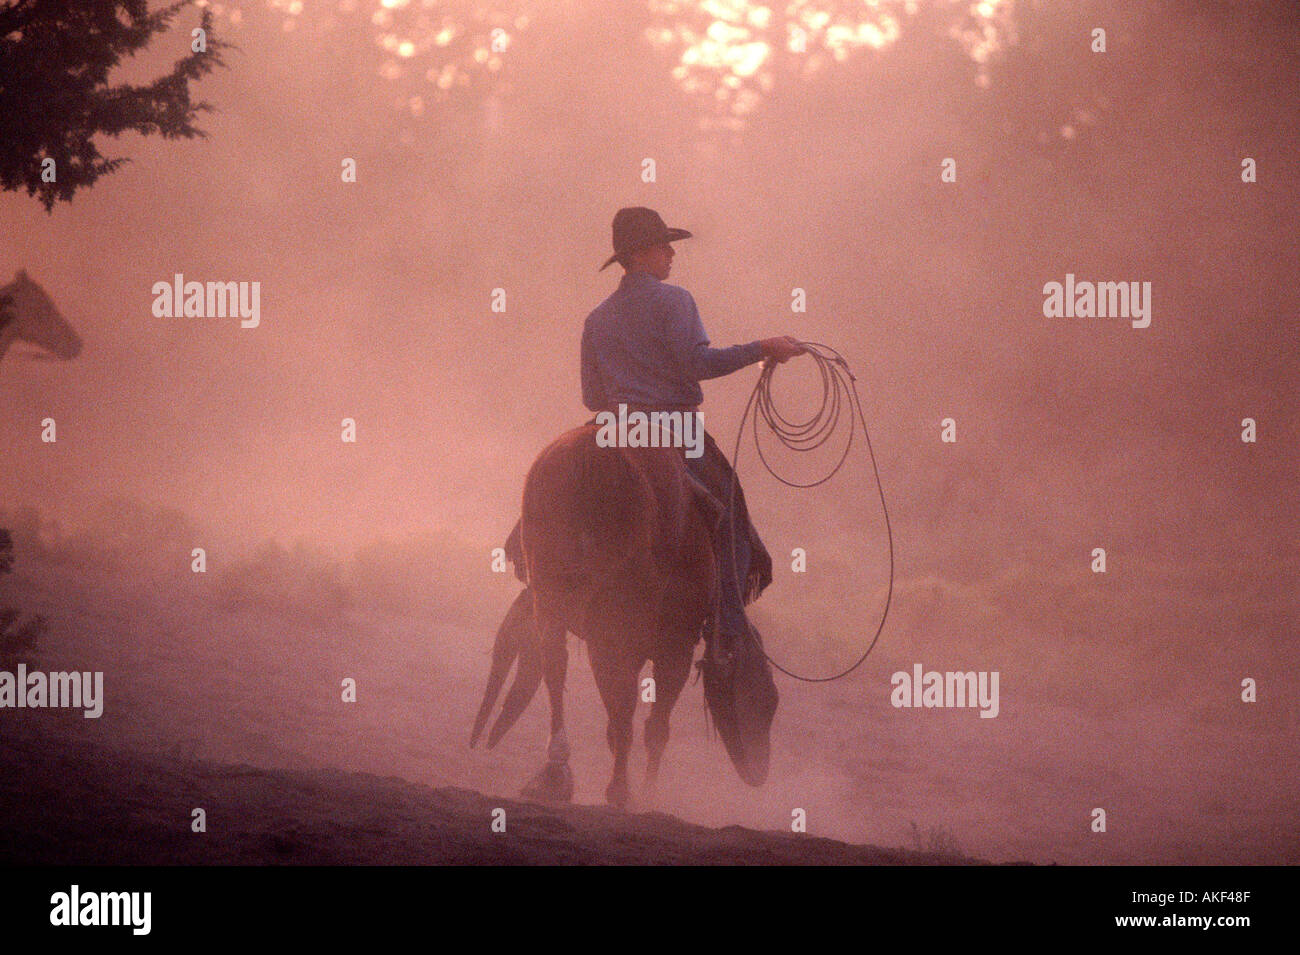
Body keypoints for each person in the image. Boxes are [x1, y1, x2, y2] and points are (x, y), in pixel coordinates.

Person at [505, 206, 803, 655]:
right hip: (673, 429)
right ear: (643, 252)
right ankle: (729, 630)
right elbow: (697, 364)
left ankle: (542, 584)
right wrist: (763, 348)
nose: (671, 254)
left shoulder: (597, 317)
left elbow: (592, 396)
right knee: (730, 515)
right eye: (665, 245)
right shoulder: (676, 300)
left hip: (612, 428)